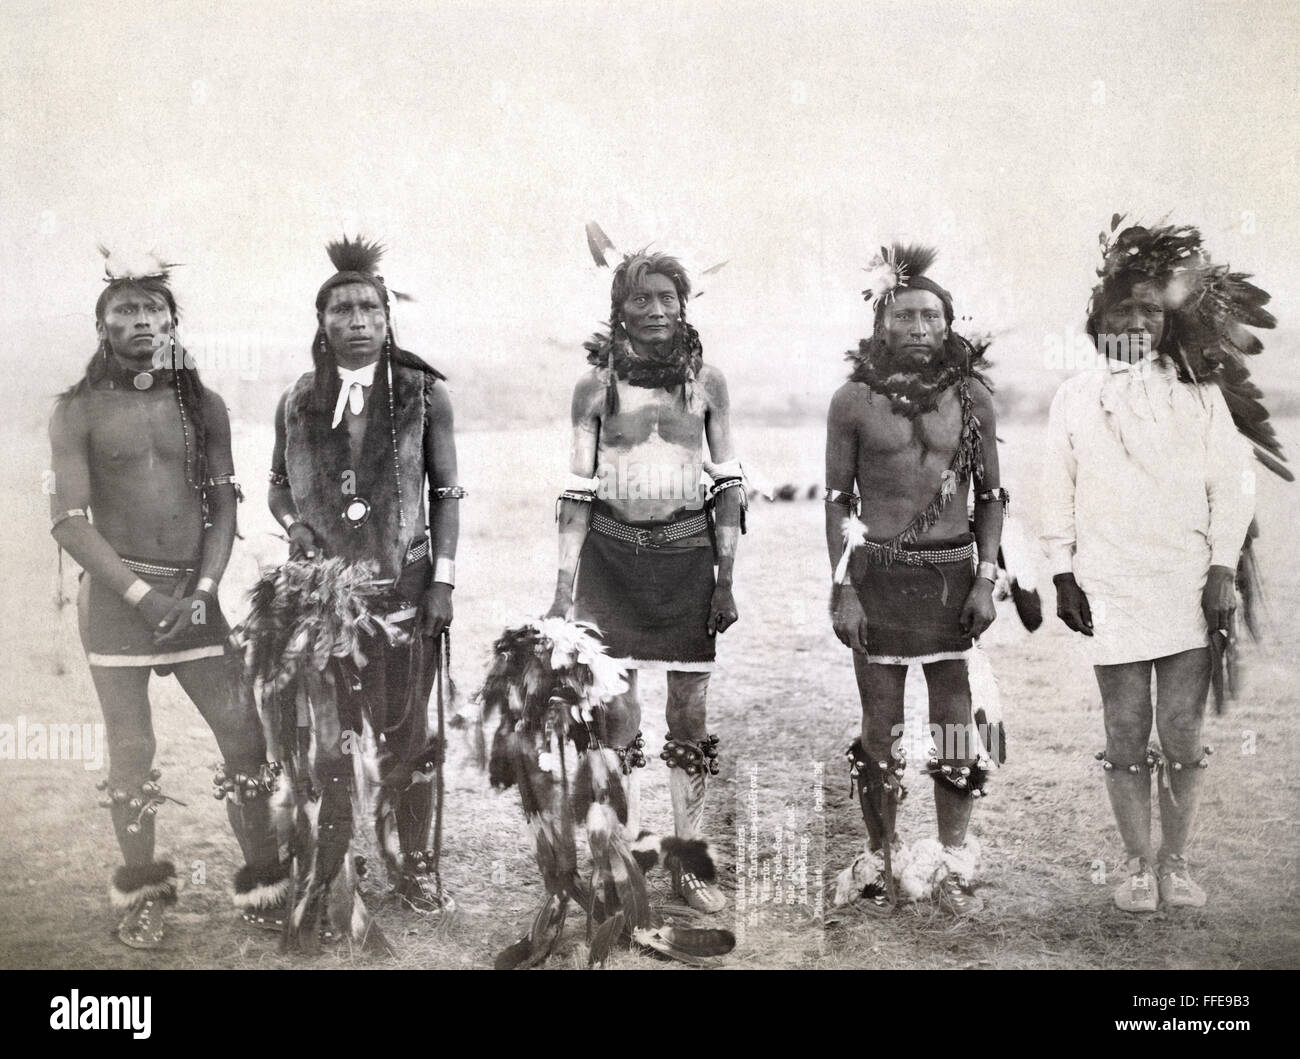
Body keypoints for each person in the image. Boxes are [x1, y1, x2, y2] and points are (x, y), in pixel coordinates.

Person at [48, 250, 285, 949]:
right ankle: (143, 891)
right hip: (120, 604)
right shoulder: (77, 411)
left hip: (195, 597)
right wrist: (141, 594)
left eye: (154, 309)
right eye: (125, 310)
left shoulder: (203, 407)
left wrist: (203, 589)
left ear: (174, 322)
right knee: (131, 748)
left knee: (244, 732)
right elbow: (67, 519)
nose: (141, 320)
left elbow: (223, 507)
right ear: (102, 326)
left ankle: (267, 879)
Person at [1042, 218, 1280, 911]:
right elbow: (1058, 489)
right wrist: (1062, 573)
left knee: (1180, 728)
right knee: (1123, 728)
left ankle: (1175, 863)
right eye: (1127, 308)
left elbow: (1231, 483)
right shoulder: (1075, 397)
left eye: (1152, 307)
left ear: (1168, 317)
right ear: (1102, 317)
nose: (1140, 319)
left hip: (1185, 581)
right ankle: (1137, 866)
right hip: (1110, 583)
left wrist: (1221, 570)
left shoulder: (1199, 393)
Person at [268, 236, 462, 916]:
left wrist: (443, 580)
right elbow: (275, 486)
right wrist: (294, 522)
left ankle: (414, 862)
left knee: (408, 730)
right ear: (322, 323)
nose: (356, 320)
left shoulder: (421, 393)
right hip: (327, 597)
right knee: (335, 733)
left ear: (387, 318)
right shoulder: (297, 401)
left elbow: (446, 495)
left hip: (406, 586)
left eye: (368, 308)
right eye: (341, 309)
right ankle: (337, 855)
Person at [547, 250, 744, 914]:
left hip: (689, 563)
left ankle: (689, 862)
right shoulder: (594, 390)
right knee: (618, 714)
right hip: (611, 563)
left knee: (688, 712)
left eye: (668, 299)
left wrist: (726, 578)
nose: (658, 311)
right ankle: (620, 857)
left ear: (684, 305)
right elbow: (576, 491)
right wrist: (561, 592)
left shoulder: (708, 384)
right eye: (642, 300)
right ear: (618, 309)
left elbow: (728, 483)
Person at [825, 244, 1004, 915]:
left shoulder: (972, 398)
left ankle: (955, 855)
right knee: (880, 726)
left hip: (953, 578)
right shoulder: (852, 402)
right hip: (877, 577)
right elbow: (836, 499)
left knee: (955, 724)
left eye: (932, 316)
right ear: (883, 326)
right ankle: (884, 854)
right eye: (907, 317)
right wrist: (842, 587)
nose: (921, 328)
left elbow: (992, 495)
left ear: (948, 322)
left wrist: (986, 577)